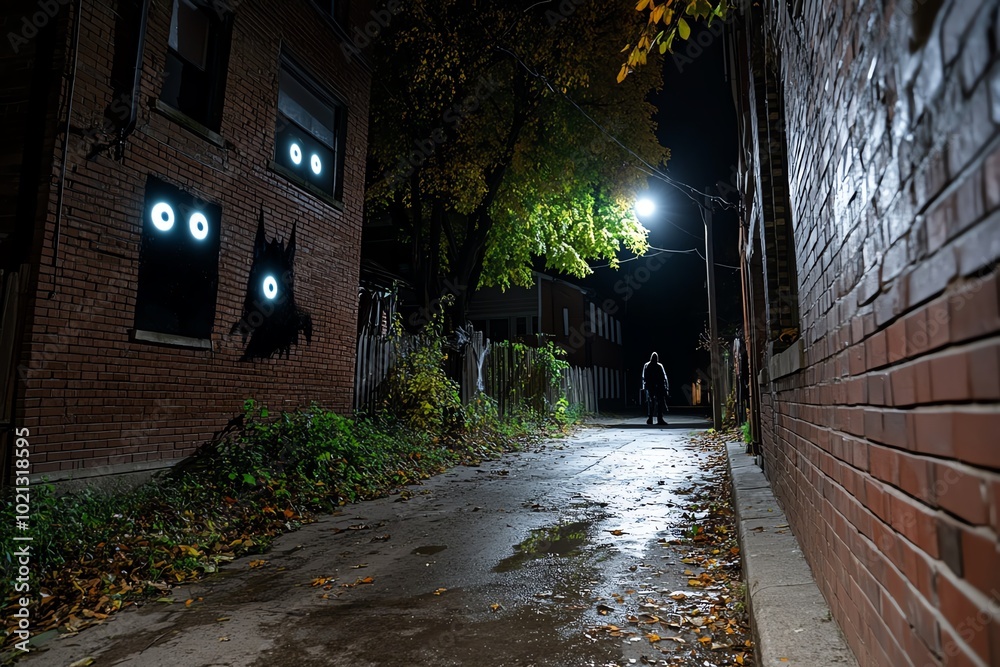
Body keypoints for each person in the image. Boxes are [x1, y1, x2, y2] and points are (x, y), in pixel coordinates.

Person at [642, 352, 669, 425]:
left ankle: (650, 418)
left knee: (651, 403)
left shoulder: (647, 365)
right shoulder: (659, 366)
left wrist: (645, 387)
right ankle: (659, 419)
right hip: (658, 387)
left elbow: (644, 377)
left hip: (651, 387)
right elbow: (664, 377)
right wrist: (666, 388)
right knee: (659, 403)